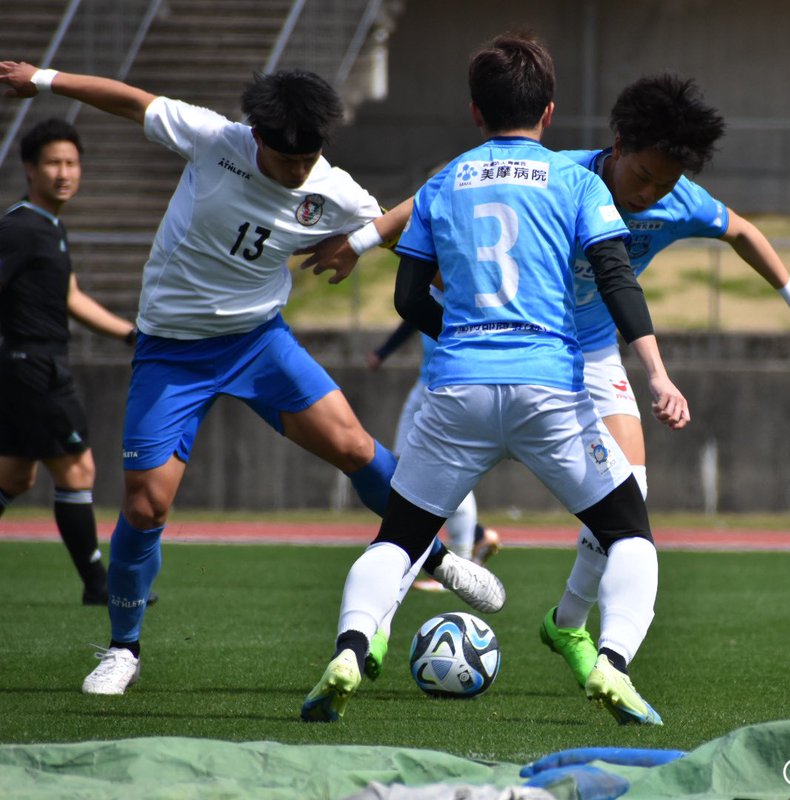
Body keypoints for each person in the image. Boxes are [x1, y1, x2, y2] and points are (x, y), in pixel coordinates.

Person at [299, 72, 790, 691]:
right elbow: (432, 195)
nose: (650, 195)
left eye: (664, 185)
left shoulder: (675, 198)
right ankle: (378, 625)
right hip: (536, 353)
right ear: (617, 146)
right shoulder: (564, 173)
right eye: (642, 177)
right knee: (428, 519)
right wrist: (364, 241)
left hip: (590, 353)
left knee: (628, 491)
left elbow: (742, 231)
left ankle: (568, 622)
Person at [0, 61, 503, 696]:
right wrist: (42, 79)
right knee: (145, 504)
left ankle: (437, 555)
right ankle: (123, 649)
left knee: (353, 446)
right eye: (286, 160)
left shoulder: (335, 190)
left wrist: (360, 245)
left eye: (308, 160)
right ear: (256, 135)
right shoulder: (213, 139)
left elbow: (413, 214)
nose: (298, 174)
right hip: (173, 352)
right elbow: (131, 101)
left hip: (259, 343)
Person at [300, 31, 689, 726]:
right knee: (629, 531)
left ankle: (354, 648)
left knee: (397, 537)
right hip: (549, 387)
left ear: (476, 114)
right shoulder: (577, 181)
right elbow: (615, 275)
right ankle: (613, 662)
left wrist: (463, 339)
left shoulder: (444, 181)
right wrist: (656, 371)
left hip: (456, 391)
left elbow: (408, 298)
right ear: (549, 114)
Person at [0, 118, 148, 606]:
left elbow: (69, 296)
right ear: (29, 169)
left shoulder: (50, 226)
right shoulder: (20, 227)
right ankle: (98, 586)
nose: (64, 172)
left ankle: (97, 584)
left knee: (15, 477)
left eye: (71, 163)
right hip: (32, 366)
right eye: (53, 163)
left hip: (37, 363)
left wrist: (132, 334)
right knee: (78, 470)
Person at [367, 320, 502, 591]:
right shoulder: (432, 280)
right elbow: (411, 307)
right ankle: (477, 535)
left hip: (454, 383)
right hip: (425, 382)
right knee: (403, 465)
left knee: (448, 466)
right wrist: (383, 351)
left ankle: (462, 563)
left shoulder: (464, 280)